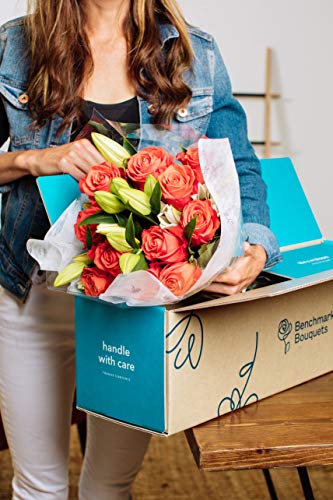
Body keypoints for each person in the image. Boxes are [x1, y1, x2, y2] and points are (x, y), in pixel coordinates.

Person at [0, 0, 281, 498]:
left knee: (109, 486)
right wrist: (37, 158)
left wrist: (255, 249)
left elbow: (240, 167)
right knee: (38, 487)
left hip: (138, 307)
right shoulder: (15, 46)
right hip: (32, 295)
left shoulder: (195, 53)